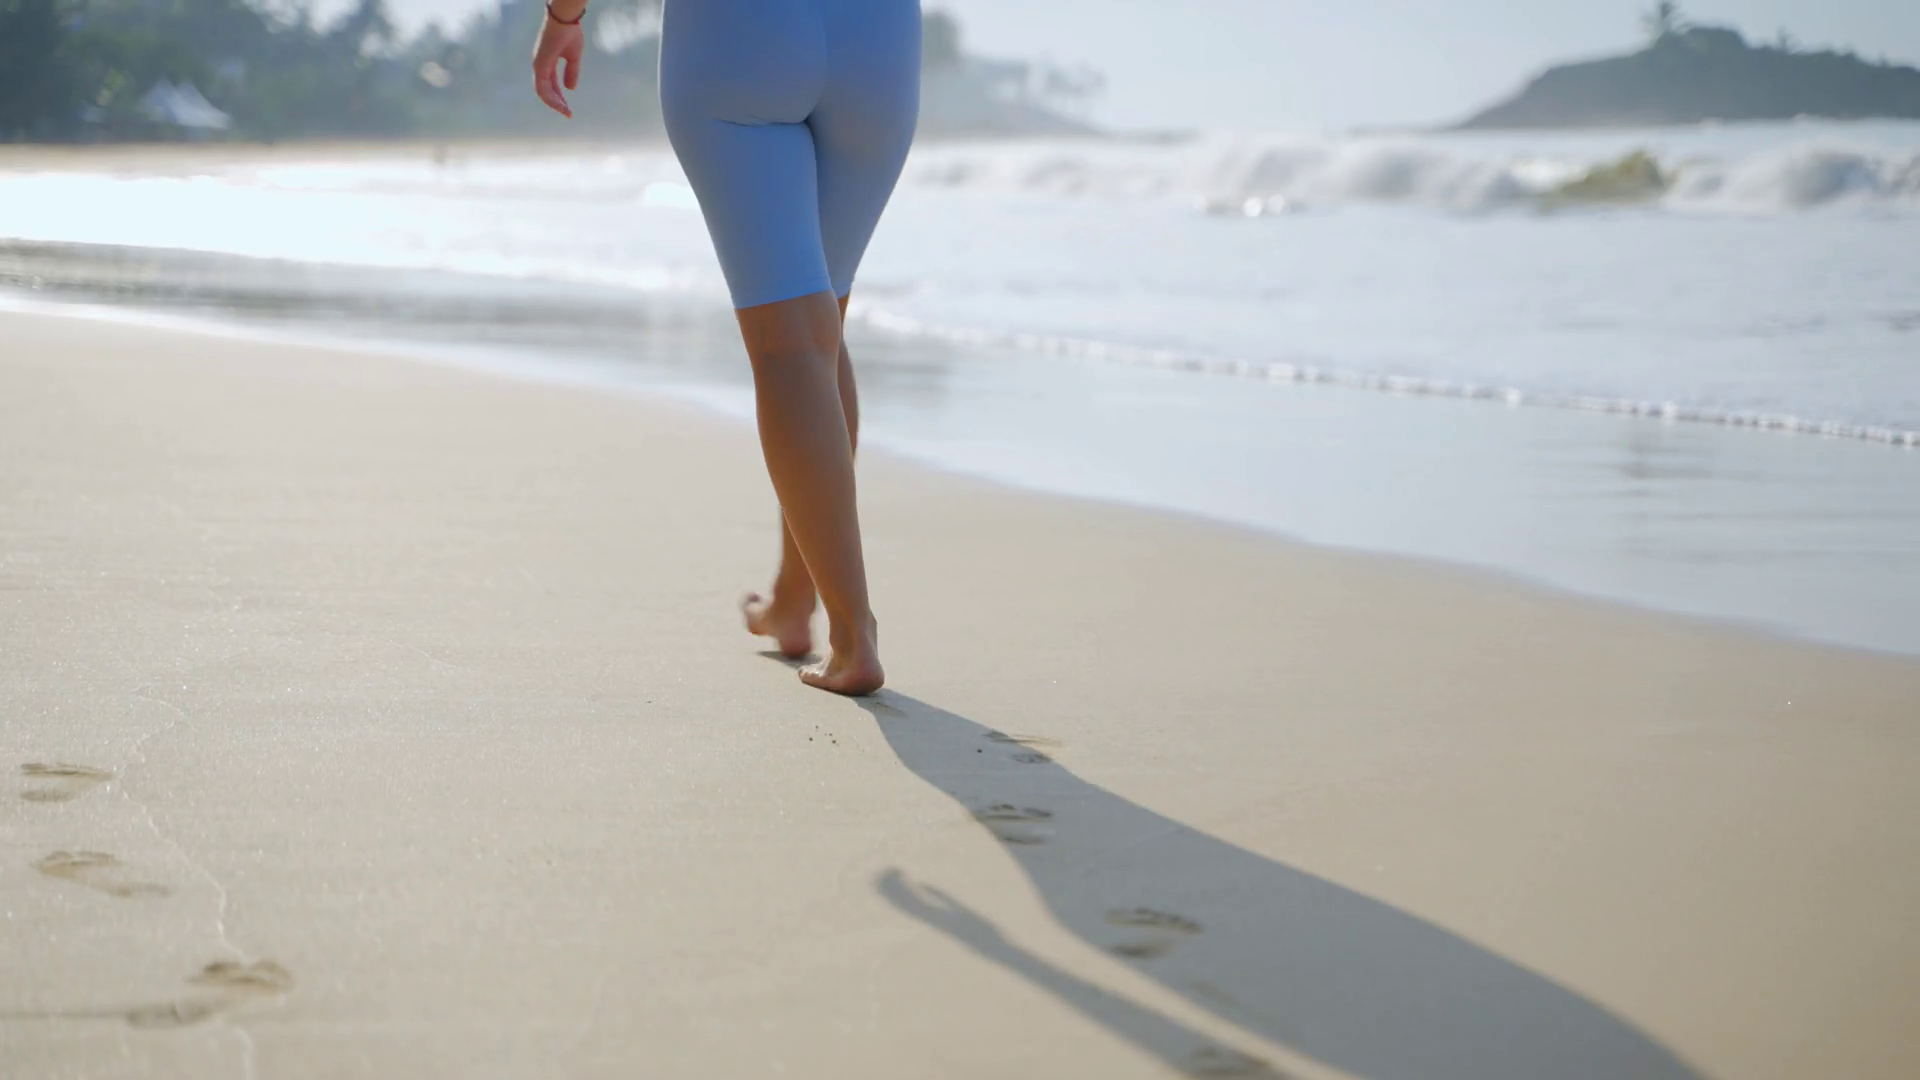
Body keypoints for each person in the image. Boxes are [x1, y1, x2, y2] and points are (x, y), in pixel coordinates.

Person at [532, 0, 920, 695]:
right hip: (879, 38)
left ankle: (853, 637)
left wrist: (564, 16)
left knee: (792, 341)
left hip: (739, 34)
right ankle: (794, 600)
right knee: (819, 327)